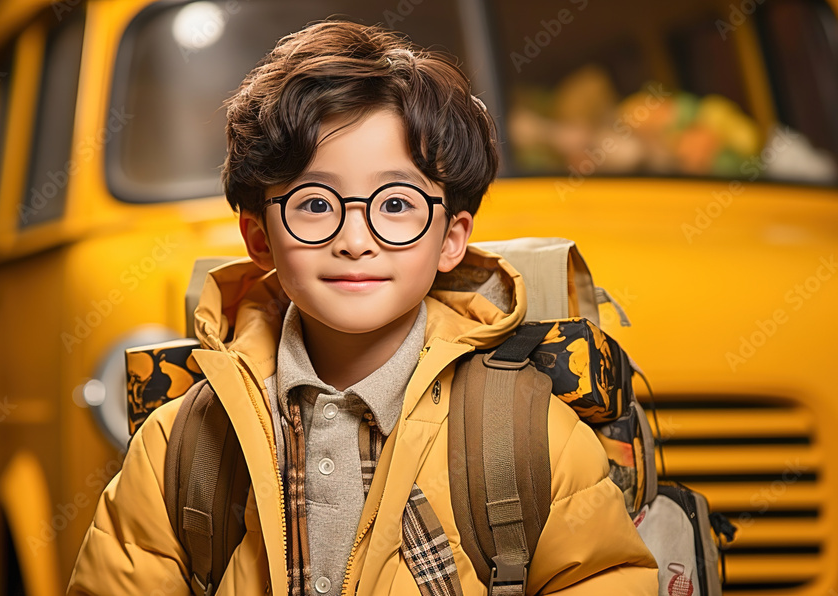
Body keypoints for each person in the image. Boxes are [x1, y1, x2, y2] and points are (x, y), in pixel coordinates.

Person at [68, 20, 657, 595]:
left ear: (451, 238)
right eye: (316, 203)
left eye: (396, 204)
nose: (355, 238)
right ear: (257, 237)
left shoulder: (529, 433)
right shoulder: (179, 446)